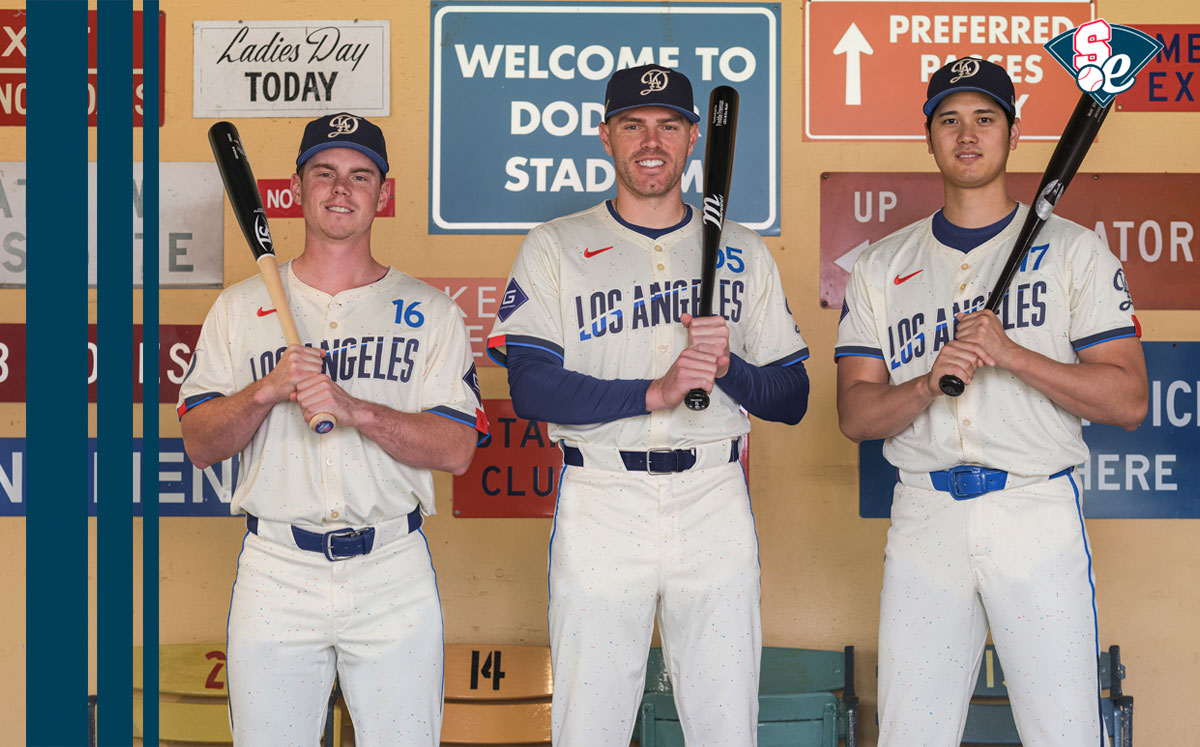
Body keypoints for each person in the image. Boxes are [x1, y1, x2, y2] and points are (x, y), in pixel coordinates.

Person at [487, 65, 811, 746]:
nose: (651, 140)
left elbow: (794, 397)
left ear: (695, 137)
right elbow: (531, 386)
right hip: (602, 493)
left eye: (668, 124)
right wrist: (654, 392)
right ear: (606, 137)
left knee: (725, 723)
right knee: (589, 723)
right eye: (633, 125)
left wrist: (731, 369)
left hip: (713, 492)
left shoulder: (745, 254)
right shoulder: (555, 245)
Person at [834, 58, 1148, 746]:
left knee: (1063, 730)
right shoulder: (884, 265)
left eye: (985, 118)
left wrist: (1012, 356)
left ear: (1012, 133)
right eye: (949, 119)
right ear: (929, 136)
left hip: (1033, 507)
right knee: (911, 732)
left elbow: (1127, 399)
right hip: (925, 514)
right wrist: (924, 382)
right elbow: (856, 415)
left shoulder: (1075, 253)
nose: (967, 134)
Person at [178, 112, 489, 745]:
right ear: (296, 188)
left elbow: (458, 450)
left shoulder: (431, 311)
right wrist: (266, 391)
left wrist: (358, 411)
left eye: (359, 175)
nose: (341, 188)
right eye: (325, 172)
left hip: (392, 568)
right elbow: (199, 442)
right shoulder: (240, 309)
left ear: (382, 192)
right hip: (276, 568)